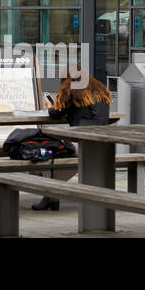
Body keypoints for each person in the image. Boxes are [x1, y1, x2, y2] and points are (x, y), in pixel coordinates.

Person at [33, 71, 113, 211]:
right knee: (64, 155)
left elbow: (56, 114)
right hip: (101, 144)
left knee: (48, 154)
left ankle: (49, 194)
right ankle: (50, 194)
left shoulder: (73, 91)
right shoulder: (101, 91)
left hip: (82, 143)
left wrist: (49, 105)